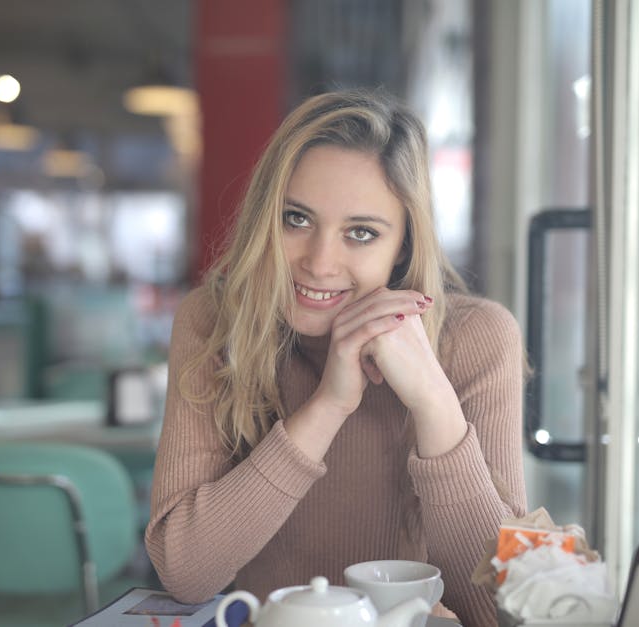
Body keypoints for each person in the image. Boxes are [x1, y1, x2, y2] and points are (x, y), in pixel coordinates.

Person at [144, 88, 527, 627]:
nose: (320, 263)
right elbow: (185, 573)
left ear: (403, 246)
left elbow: (500, 612)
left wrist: (433, 402)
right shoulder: (214, 322)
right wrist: (329, 404)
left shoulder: (477, 338)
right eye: (296, 219)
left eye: (361, 233)